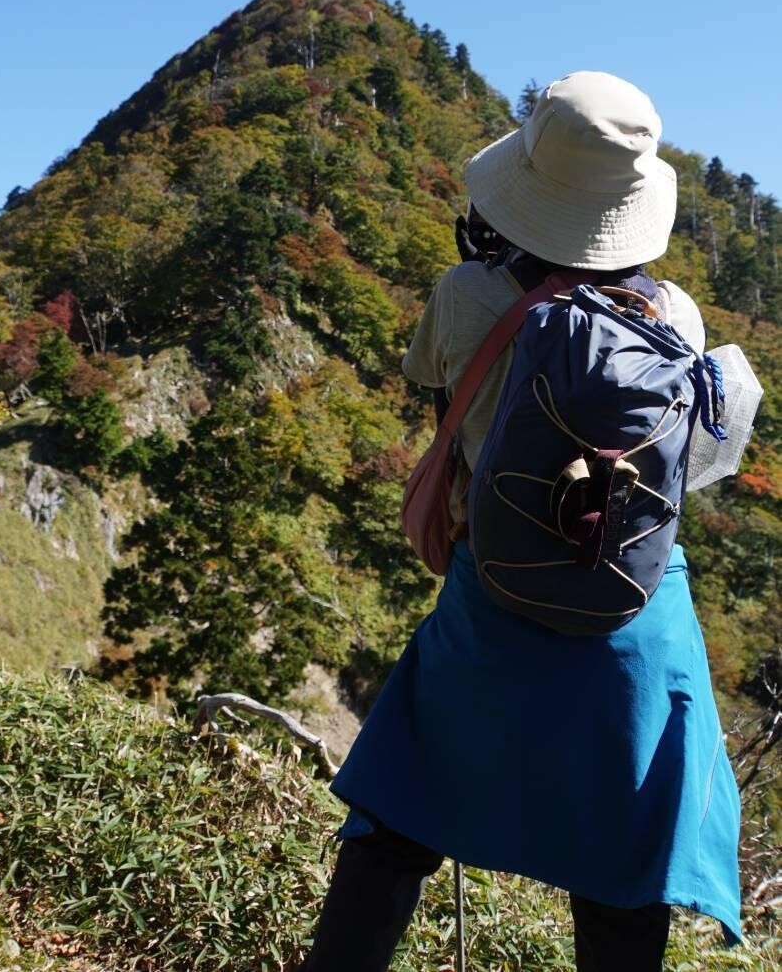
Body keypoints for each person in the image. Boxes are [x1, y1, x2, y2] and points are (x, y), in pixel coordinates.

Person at [296, 72, 741, 972]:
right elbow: (686, 478)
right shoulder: (679, 317)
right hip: (635, 613)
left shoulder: (464, 294)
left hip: (498, 590)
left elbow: (451, 435)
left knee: (397, 815)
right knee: (623, 874)